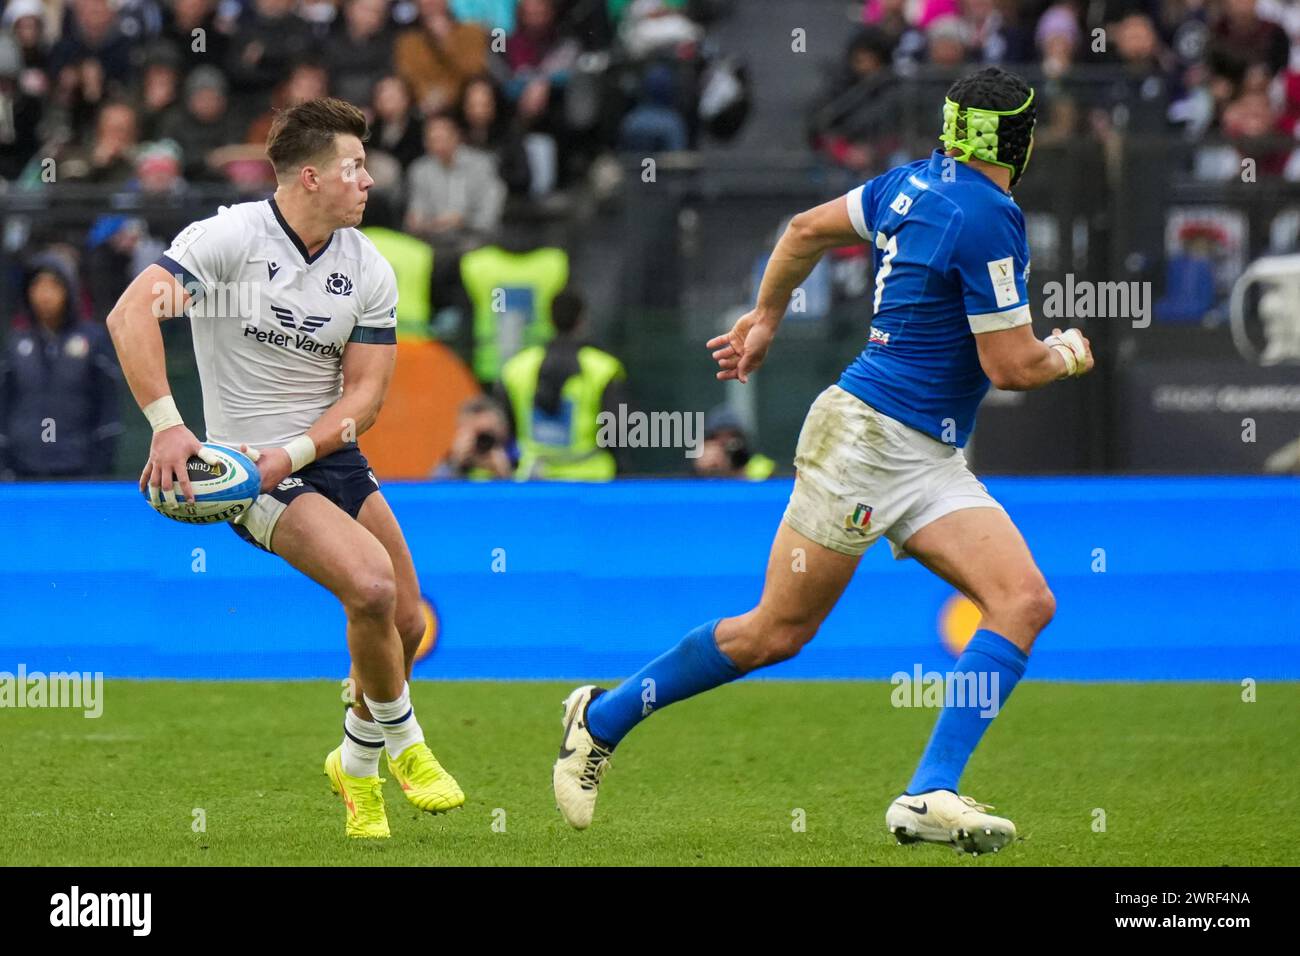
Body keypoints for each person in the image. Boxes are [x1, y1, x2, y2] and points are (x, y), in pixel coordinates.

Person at [551, 67, 1095, 854]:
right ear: (1020, 138)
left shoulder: (912, 182)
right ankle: (599, 719)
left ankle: (928, 793)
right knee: (775, 632)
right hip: (867, 444)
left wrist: (765, 317)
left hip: (922, 452)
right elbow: (1012, 367)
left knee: (1024, 601)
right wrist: (1069, 353)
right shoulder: (989, 215)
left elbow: (804, 229)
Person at [105, 97, 464, 839]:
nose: (369, 180)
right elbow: (129, 315)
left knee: (406, 621)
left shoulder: (367, 265)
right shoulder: (230, 238)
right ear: (309, 177)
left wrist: (294, 454)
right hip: (241, 470)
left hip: (320, 455)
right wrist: (171, 429)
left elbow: (365, 396)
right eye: (354, 167)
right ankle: (406, 743)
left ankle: (354, 768)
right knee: (368, 586)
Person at [0, 253, 122, 479]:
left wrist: (100, 465)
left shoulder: (93, 340)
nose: (45, 294)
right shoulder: (16, 343)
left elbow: (108, 407)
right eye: (37, 285)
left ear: (69, 290)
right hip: (22, 470)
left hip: (79, 469)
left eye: (54, 285)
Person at [497, 289, 625, 480]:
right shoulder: (602, 368)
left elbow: (503, 429)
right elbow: (619, 431)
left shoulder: (516, 369)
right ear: (582, 321)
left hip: (532, 478)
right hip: (592, 480)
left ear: (548, 320)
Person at [433, 395, 516, 479]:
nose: (482, 442)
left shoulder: (522, 464)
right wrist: (454, 463)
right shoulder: (449, 469)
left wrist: (506, 477)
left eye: (488, 434)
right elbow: (435, 489)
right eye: (477, 434)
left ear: (503, 432)